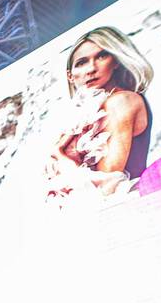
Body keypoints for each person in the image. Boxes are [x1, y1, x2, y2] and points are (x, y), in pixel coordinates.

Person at [46, 25, 153, 202]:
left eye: (101, 56)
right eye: (81, 63)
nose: (91, 69)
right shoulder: (80, 118)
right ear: (70, 76)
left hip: (123, 212)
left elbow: (107, 186)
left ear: (115, 61)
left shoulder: (121, 101)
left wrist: (59, 154)